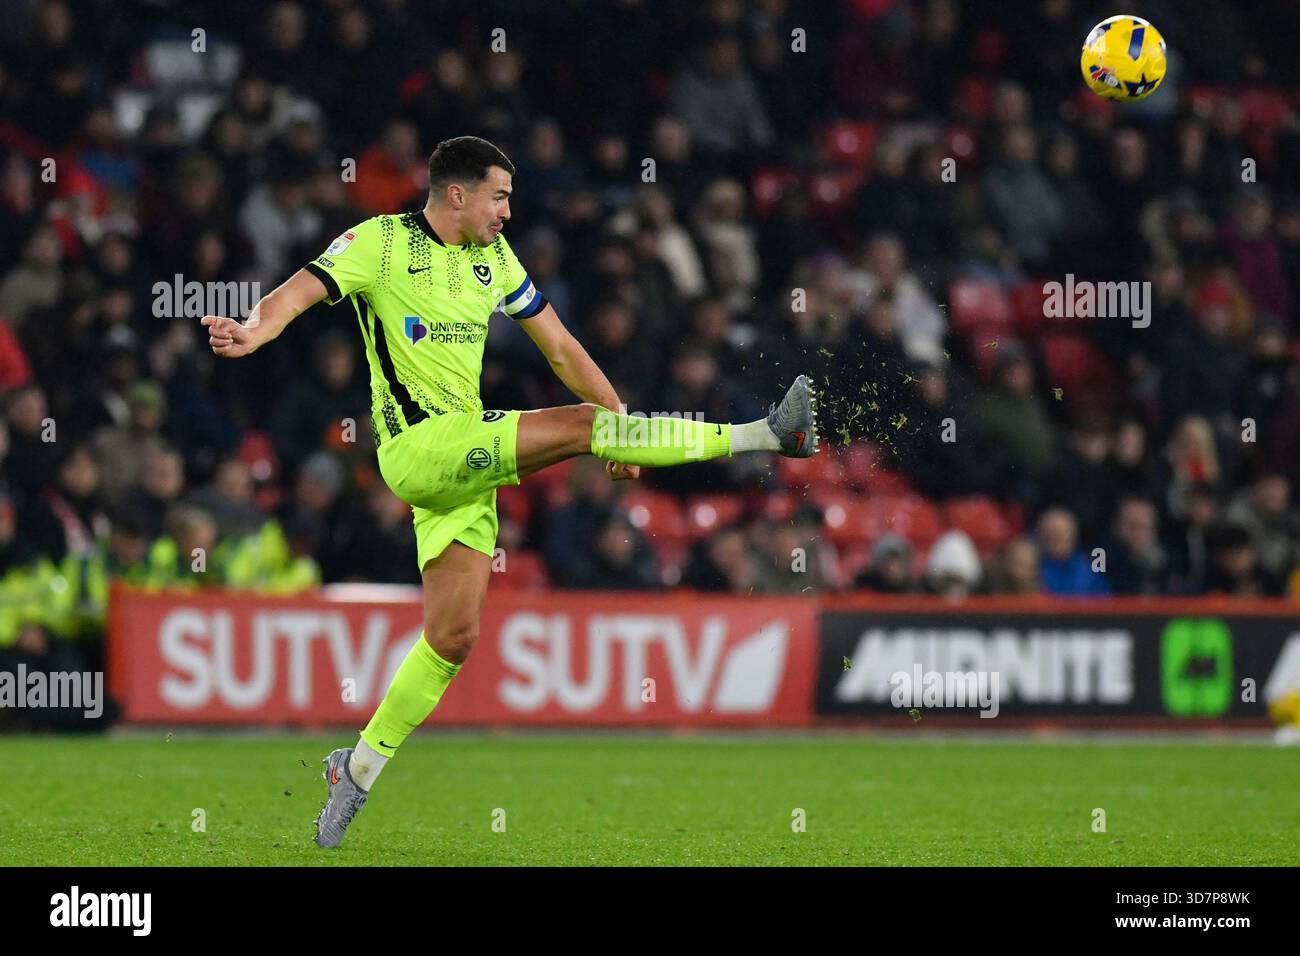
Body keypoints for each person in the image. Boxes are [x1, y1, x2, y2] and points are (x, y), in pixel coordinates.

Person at [200, 136, 819, 848]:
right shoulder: (381, 242)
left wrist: (618, 424)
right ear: (455, 194)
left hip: (466, 464)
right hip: (418, 447)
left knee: (453, 637)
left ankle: (357, 770)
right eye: (498, 196)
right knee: (581, 425)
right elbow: (301, 290)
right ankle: (768, 435)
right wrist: (253, 327)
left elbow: (559, 347)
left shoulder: (495, 259)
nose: (508, 212)